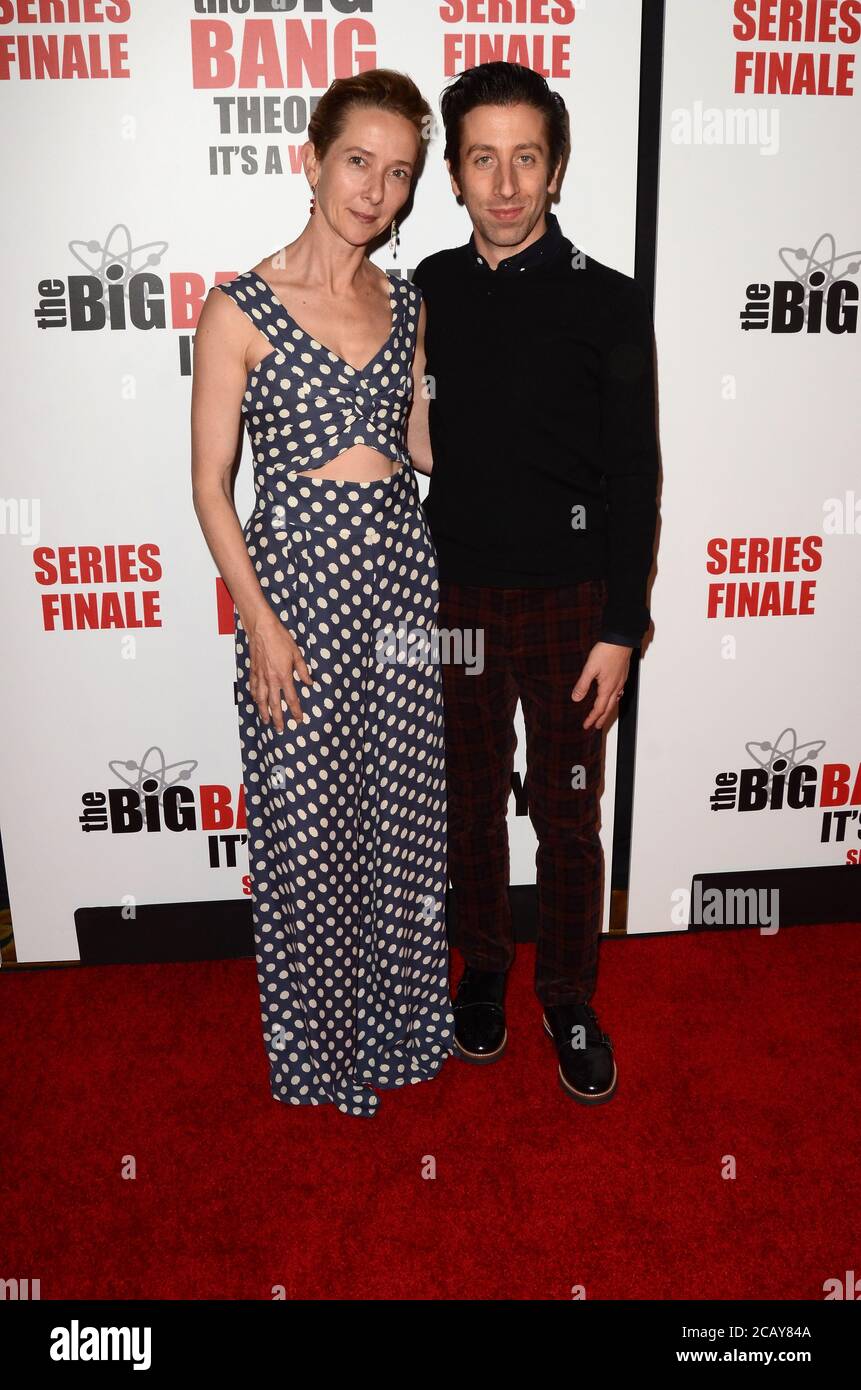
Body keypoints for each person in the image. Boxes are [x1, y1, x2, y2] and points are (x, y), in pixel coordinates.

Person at [190, 69, 454, 1118]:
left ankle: (398, 1033)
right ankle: (321, 1052)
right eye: (359, 161)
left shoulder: (411, 302)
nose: (375, 190)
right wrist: (258, 621)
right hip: (294, 590)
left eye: (397, 174)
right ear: (310, 159)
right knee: (309, 827)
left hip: (399, 577)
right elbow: (211, 486)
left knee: (403, 819)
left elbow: (428, 447)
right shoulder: (238, 309)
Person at [410, 62, 659, 1105]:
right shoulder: (424, 287)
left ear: (556, 169)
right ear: (455, 175)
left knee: (566, 814)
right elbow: (416, 442)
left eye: (526, 158)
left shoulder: (609, 300)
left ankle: (567, 995)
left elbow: (636, 467)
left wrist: (622, 621)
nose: (505, 184)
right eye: (482, 159)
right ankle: (482, 972)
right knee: (467, 803)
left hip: (570, 603)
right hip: (455, 597)